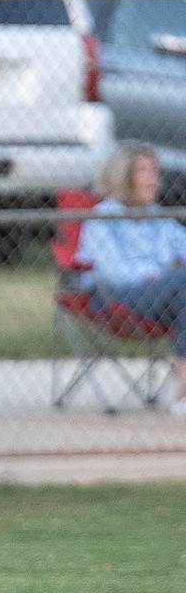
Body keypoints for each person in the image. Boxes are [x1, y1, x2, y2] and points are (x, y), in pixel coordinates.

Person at [76, 141, 186, 416]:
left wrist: (165, 280)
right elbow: (112, 271)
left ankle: (183, 396)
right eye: (143, 171)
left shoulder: (157, 217)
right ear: (124, 177)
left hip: (164, 295)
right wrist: (158, 275)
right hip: (115, 298)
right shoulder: (104, 215)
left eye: (155, 171)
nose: (153, 179)